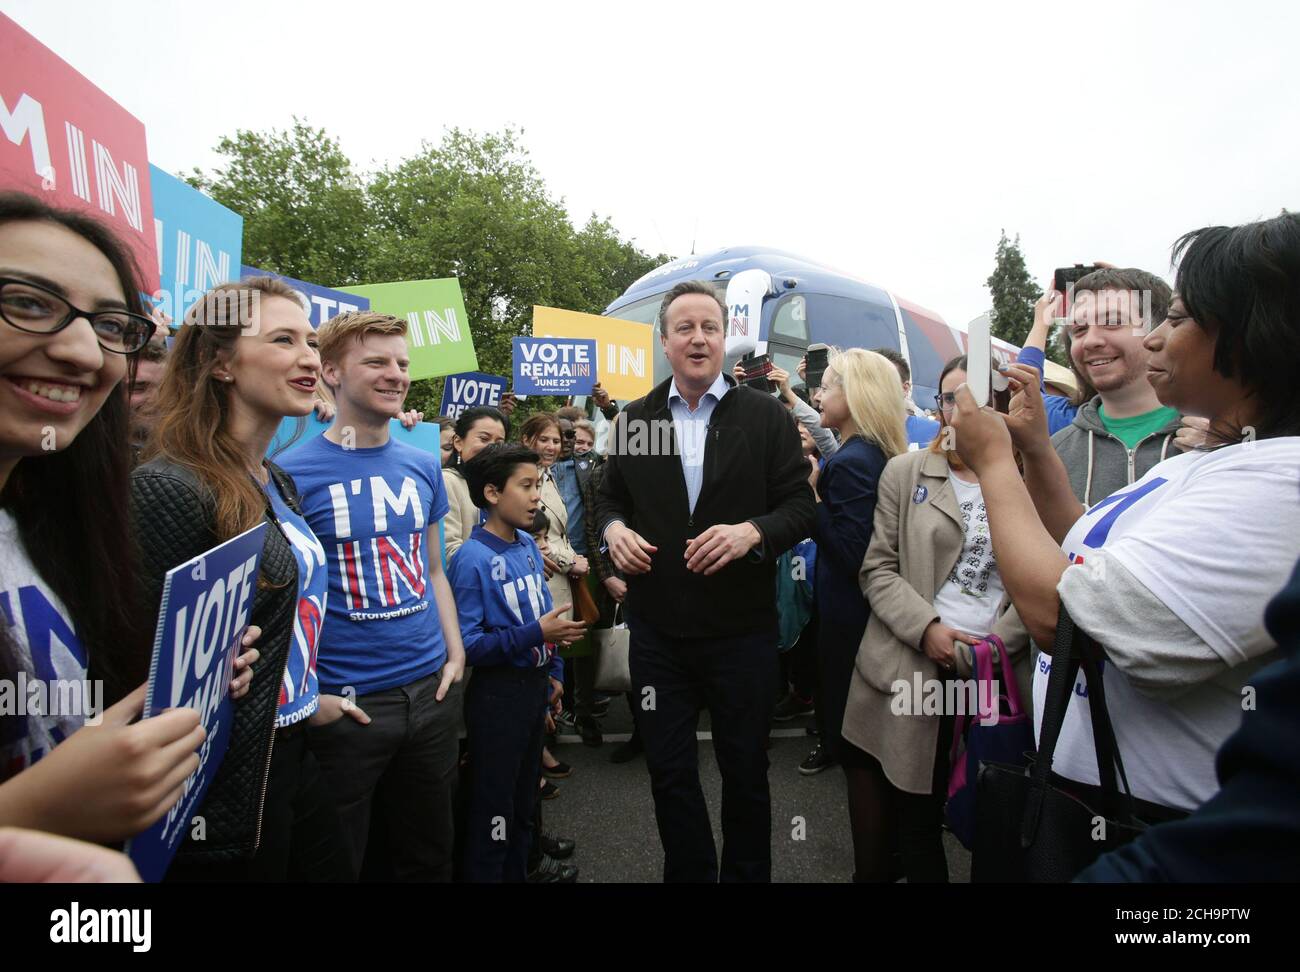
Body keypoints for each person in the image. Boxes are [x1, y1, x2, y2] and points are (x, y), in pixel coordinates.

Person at [950, 212, 1300, 826]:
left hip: (1164, 823)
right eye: (1079, 327)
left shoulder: (1280, 479)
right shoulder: (1211, 460)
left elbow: (1066, 619)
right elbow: (1085, 549)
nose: (1159, 338)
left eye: (1177, 317)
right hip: (1094, 794)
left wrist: (997, 464)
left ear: (1253, 334)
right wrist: (1036, 450)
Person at [0, 192, 248, 846]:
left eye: (111, 326)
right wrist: (33, 811)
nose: (84, 353)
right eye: (28, 303)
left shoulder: (62, 528)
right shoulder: (166, 488)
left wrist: (191, 673)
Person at [596, 280, 816, 882]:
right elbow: (610, 499)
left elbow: (801, 508)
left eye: (710, 327)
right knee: (669, 774)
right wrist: (613, 530)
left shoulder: (764, 415)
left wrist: (752, 531)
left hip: (741, 634)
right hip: (658, 634)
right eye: (685, 328)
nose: (698, 338)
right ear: (665, 341)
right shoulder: (636, 419)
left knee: (745, 771)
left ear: (724, 338)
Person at [133, 275, 346, 881]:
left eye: (311, 342)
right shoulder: (169, 488)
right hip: (226, 785)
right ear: (220, 362)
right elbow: (141, 680)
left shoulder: (277, 481)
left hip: (294, 752)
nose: (310, 359)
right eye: (283, 340)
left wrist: (306, 698)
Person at [277, 310, 466, 881]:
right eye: (377, 362)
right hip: (346, 705)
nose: (396, 374)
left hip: (431, 694)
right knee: (338, 864)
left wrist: (455, 656)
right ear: (331, 372)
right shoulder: (286, 474)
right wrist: (311, 700)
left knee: (428, 857)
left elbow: (433, 569)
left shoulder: (422, 465)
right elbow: (282, 596)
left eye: (402, 363)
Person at [841, 354, 1031, 882]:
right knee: (914, 825)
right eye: (949, 397)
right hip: (906, 670)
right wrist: (926, 629)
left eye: (974, 394)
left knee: (993, 827)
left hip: (990, 677)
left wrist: (992, 649)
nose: (960, 407)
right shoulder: (906, 472)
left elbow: (1045, 584)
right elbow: (877, 568)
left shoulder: (1027, 479)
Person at [448, 443, 587, 882]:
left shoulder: (527, 544)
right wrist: (535, 636)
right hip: (498, 698)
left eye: (537, 485)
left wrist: (554, 675)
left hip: (534, 689)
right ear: (492, 493)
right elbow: (468, 645)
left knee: (526, 800)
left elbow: (546, 615)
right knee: (495, 808)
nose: (535, 496)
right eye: (525, 486)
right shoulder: (471, 559)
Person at [797, 349, 908, 788]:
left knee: (858, 751)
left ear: (855, 394)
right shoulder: (866, 452)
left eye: (826, 387)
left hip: (850, 617)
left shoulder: (853, 461)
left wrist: (812, 498)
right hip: (860, 615)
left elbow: (852, 554)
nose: (818, 396)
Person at [1040, 268, 1182, 505]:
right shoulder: (1055, 453)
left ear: (1159, 330)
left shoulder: (1220, 437)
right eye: (1079, 330)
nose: (1091, 341)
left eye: (1112, 322)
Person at [520, 412, 589, 777]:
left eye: (556, 441)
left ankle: (541, 739)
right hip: (539, 578)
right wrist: (569, 560)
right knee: (533, 662)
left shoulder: (549, 476)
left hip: (556, 582)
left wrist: (571, 557)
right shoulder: (521, 476)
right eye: (544, 439)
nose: (551, 446)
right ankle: (536, 753)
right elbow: (534, 537)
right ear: (526, 439)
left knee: (550, 662)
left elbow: (557, 534)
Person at [442, 405, 509, 561]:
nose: (492, 447)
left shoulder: (502, 486)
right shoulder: (447, 482)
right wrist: (510, 562)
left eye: (499, 442)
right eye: (484, 439)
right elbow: (449, 552)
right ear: (458, 442)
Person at [871, 347, 941, 449]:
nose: (874, 389)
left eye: (885, 381)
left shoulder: (937, 432)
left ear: (905, 388)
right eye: (870, 381)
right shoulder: (854, 436)